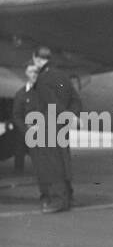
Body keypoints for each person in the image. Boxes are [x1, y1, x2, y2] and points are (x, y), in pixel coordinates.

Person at [25, 47, 81, 212]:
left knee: (51, 164)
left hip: (47, 126)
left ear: (36, 58)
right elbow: (76, 100)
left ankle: (57, 201)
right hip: (61, 127)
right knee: (63, 161)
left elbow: (51, 103)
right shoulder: (62, 76)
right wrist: (70, 116)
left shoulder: (42, 79)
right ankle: (69, 197)